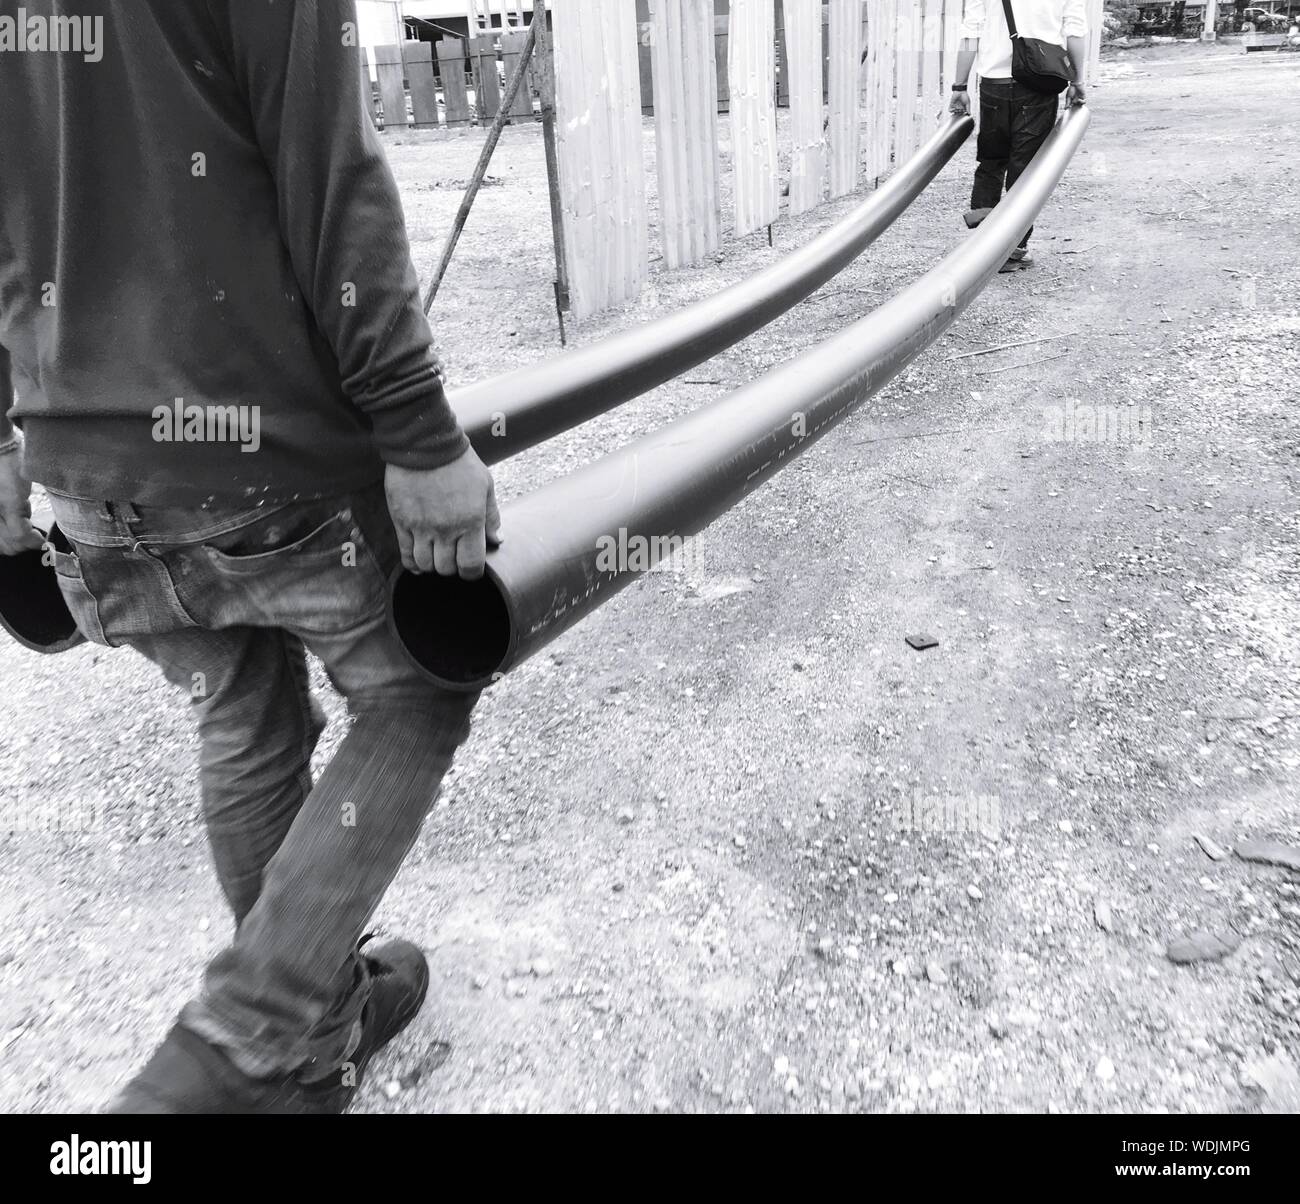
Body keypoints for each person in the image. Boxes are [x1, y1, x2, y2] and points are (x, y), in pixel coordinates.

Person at [0, 1, 500, 1112]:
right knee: (418, 691)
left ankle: (314, 1045)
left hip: (84, 471)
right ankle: (244, 1037)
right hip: (261, 458)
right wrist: (419, 435)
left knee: (240, 710)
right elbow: (331, 187)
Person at [949, 0, 1089, 273]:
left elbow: (970, 33)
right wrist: (1077, 81)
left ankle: (983, 244)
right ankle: (1013, 248)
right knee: (1025, 170)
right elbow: (1075, 31)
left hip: (994, 86)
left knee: (990, 162)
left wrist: (959, 85)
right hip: (1038, 84)